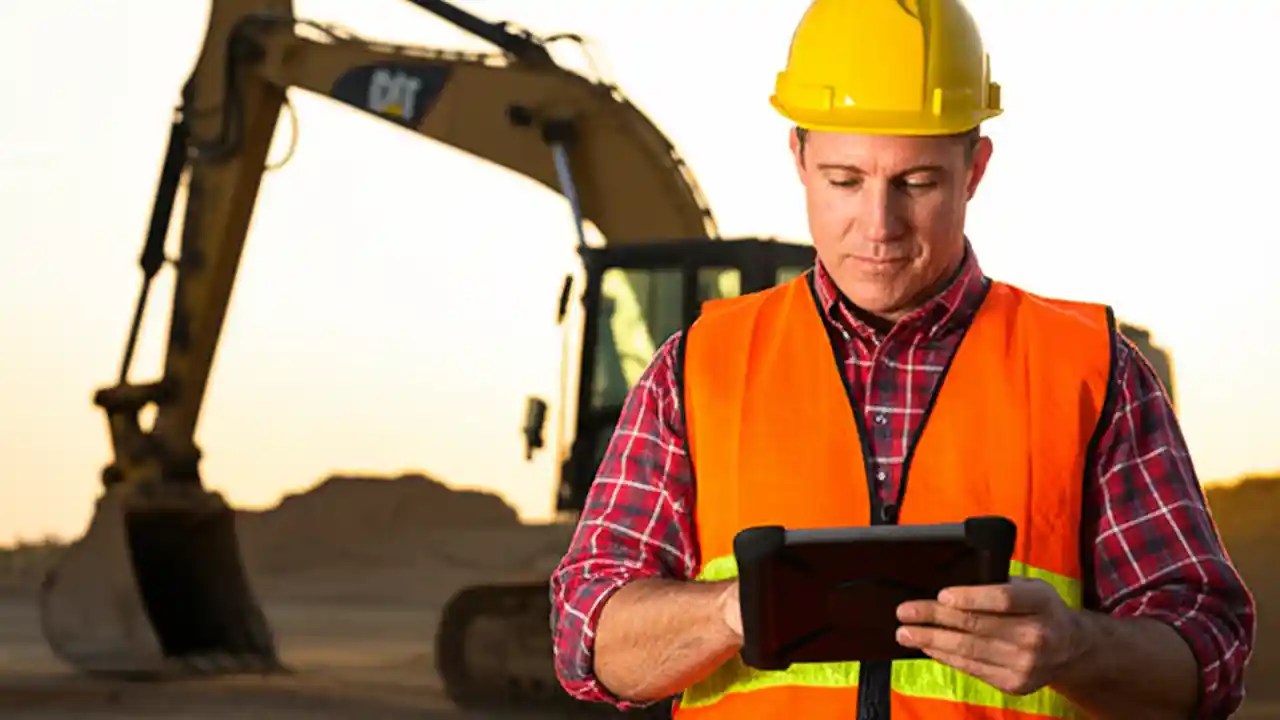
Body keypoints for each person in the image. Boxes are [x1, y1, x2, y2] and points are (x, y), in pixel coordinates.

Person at [549, 0, 1256, 718]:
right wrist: (732, 612)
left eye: (916, 183)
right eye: (845, 181)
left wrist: (1073, 647)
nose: (879, 227)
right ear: (798, 158)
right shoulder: (697, 368)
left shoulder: (1090, 370)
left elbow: (1209, 656)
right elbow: (587, 634)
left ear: (975, 167)